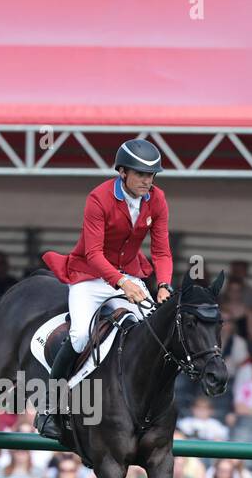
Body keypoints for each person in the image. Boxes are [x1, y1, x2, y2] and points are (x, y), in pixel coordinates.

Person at [38, 138, 173, 441]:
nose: (147, 181)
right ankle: (49, 406)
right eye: (141, 174)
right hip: (90, 276)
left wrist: (164, 284)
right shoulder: (99, 198)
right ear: (122, 172)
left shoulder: (157, 200)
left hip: (130, 275)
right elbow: (94, 254)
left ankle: (143, 407)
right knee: (79, 335)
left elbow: (162, 251)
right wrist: (122, 283)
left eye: (151, 175)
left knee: (152, 333)